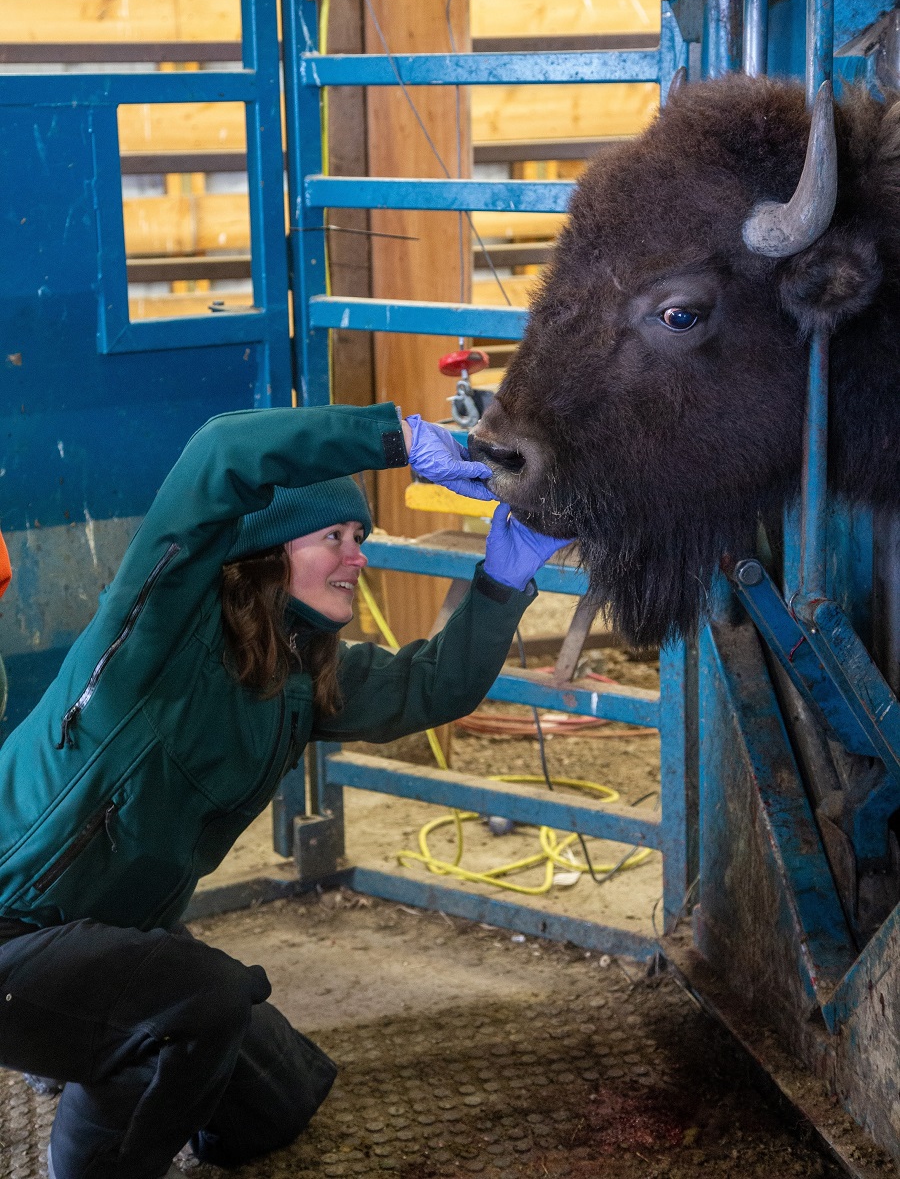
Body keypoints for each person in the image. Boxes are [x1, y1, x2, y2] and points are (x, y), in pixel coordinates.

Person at [0, 401, 565, 1179]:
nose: (356, 557)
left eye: (359, 538)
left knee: (281, 1101)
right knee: (201, 1003)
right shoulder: (153, 635)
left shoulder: (300, 679)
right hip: (10, 928)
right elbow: (221, 450)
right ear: (264, 552)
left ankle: (83, 1040)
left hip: (107, 935)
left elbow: (430, 687)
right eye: (332, 537)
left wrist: (504, 576)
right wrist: (396, 439)